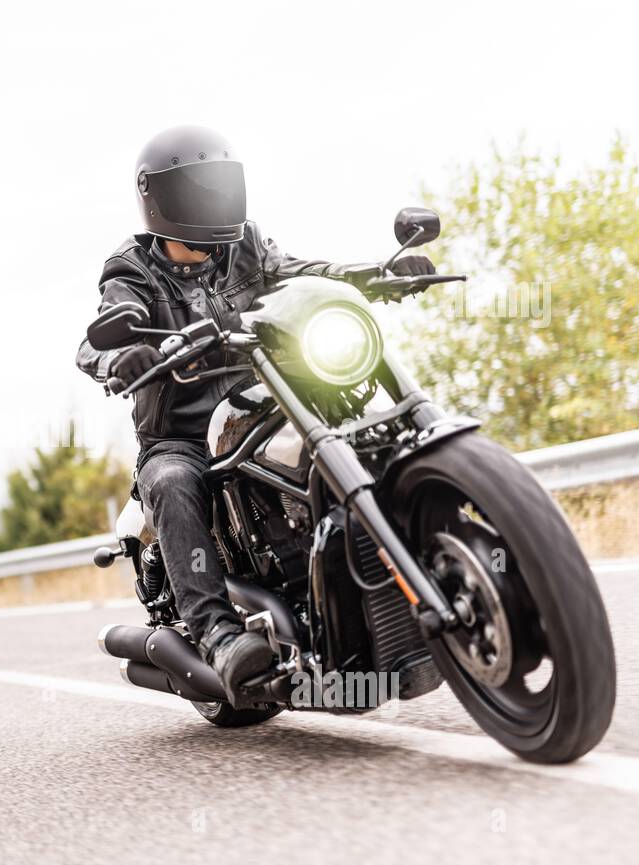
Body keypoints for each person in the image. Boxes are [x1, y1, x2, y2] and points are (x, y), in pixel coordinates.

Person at [76, 126, 433, 708]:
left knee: (361, 427)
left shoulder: (244, 244)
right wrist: (122, 356)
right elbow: (94, 341)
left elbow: (299, 271)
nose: (210, 199)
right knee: (170, 481)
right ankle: (218, 634)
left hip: (259, 406)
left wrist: (371, 275)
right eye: (195, 188)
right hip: (183, 435)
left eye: (216, 184)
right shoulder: (132, 270)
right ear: (159, 198)